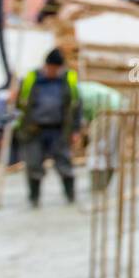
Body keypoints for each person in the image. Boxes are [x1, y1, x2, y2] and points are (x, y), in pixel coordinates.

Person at [15, 48, 82, 207]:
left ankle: (70, 197)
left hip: (59, 130)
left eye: (57, 69)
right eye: (51, 68)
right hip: (34, 130)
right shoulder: (31, 79)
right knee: (33, 165)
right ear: (46, 65)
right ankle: (34, 199)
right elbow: (20, 105)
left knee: (64, 164)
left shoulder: (68, 80)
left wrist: (76, 129)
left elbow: (76, 106)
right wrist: (13, 99)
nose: (53, 71)